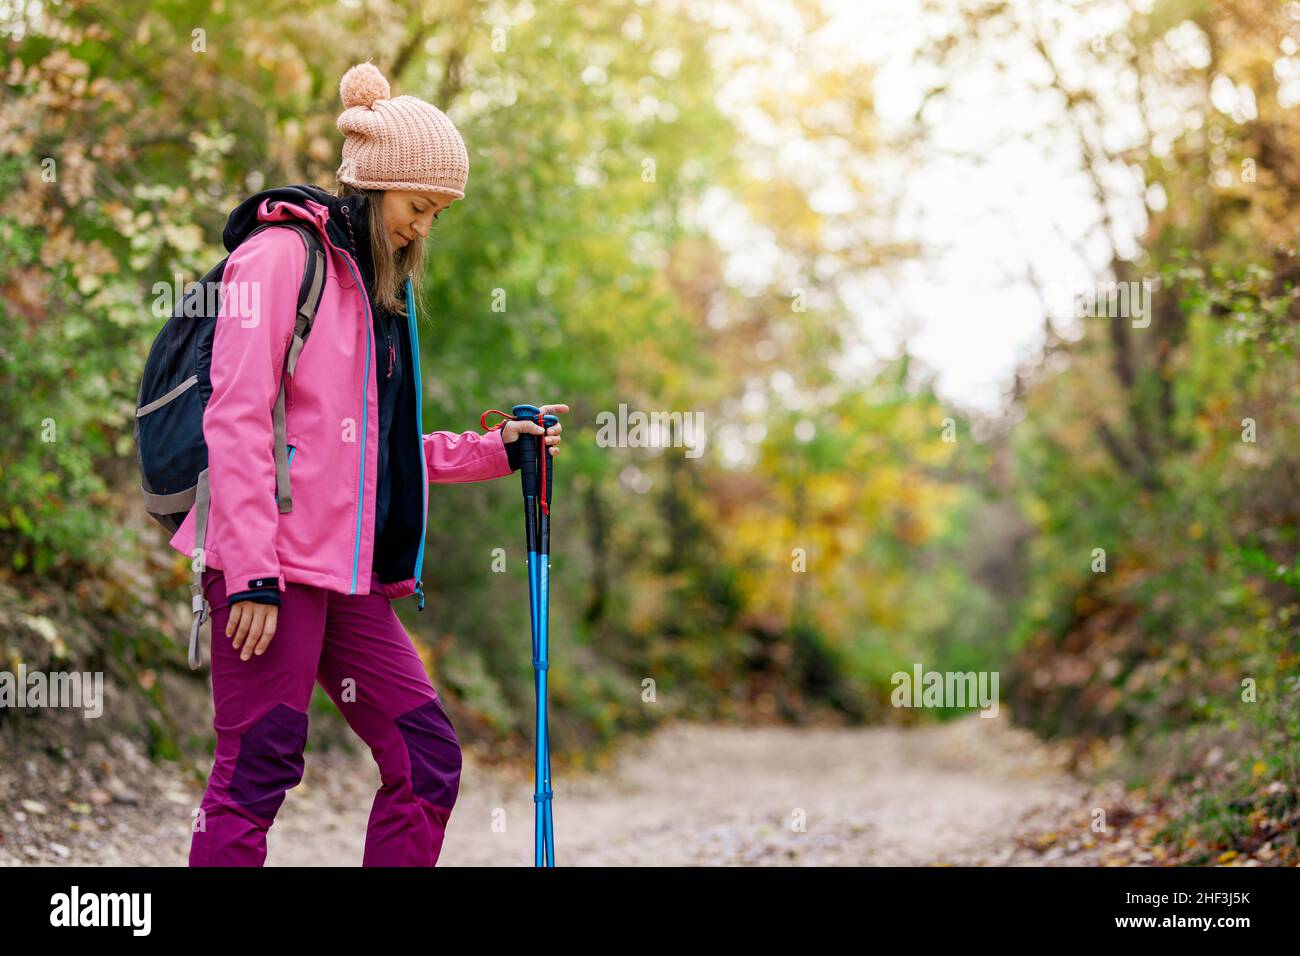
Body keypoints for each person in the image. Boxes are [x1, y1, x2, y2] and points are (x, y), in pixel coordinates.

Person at [165, 60, 567, 866]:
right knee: (257, 772)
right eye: (419, 207)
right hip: (270, 564)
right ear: (375, 186)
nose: (424, 228)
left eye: (438, 214)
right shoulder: (280, 259)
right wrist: (249, 573)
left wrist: (494, 450)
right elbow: (234, 419)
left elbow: (367, 454)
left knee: (427, 760)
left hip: (344, 578)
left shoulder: (376, 296)